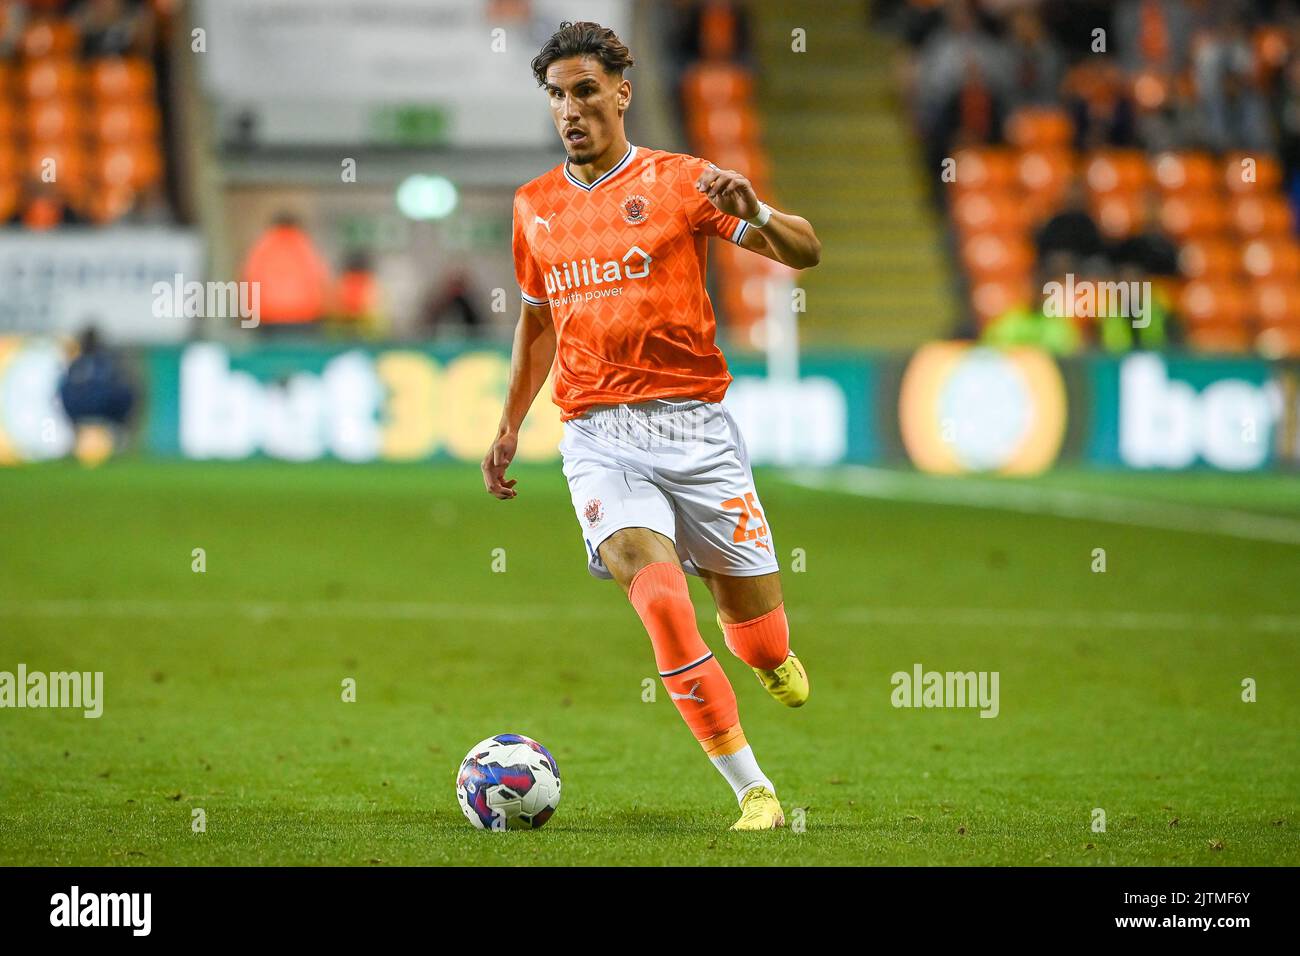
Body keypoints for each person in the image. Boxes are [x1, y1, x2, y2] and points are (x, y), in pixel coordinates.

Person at [481, 21, 821, 831]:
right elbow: (537, 326)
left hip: (696, 436)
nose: (570, 109)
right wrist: (508, 425)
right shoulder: (535, 207)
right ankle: (754, 790)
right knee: (662, 597)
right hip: (599, 438)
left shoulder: (682, 182)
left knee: (761, 643)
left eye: (586, 91)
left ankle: (765, 654)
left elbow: (804, 253)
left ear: (622, 93)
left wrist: (759, 211)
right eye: (557, 95)